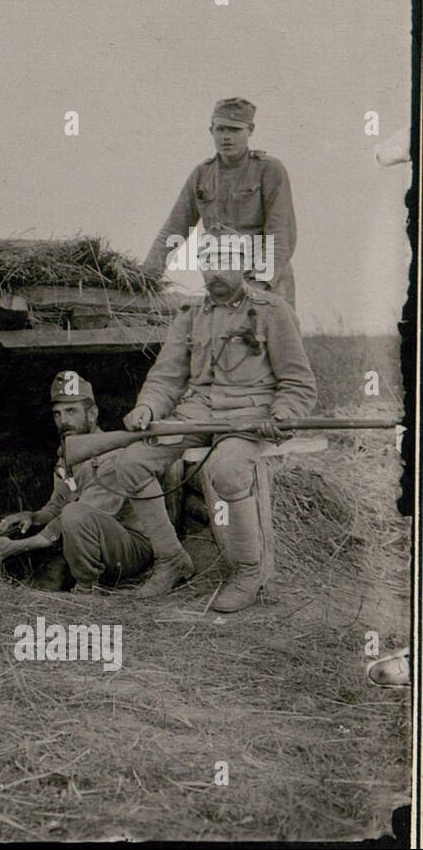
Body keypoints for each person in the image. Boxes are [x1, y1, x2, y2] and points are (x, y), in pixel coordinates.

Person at [97, 254, 317, 612]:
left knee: (227, 470)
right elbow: (167, 378)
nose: (214, 271)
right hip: (196, 413)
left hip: (250, 414)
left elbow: (298, 382)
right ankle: (171, 560)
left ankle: (248, 572)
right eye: (207, 262)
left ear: (245, 265)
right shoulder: (190, 314)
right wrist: (147, 409)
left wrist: (282, 414)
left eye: (224, 262)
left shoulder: (273, 310)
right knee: (130, 464)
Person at [0, 371, 152, 593]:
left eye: (71, 411)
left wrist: (17, 547)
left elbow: (80, 514)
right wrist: (31, 517)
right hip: (91, 539)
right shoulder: (68, 457)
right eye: (57, 414)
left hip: (130, 547)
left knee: (74, 515)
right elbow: (56, 507)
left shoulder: (113, 455)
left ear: (92, 414)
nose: (63, 421)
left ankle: (86, 589)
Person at [141, 98, 297, 308]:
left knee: (272, 336)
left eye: (235, 130)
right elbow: (174, 229)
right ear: (211, 130)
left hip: (266, 278)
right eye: (221, 129)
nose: (227, 137)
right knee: (218, 336)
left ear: (250, 130)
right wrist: (146, 277)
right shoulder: (202, 174)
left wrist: (260, 281)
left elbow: (280, 233)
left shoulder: (269, 170)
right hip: (221, 276)